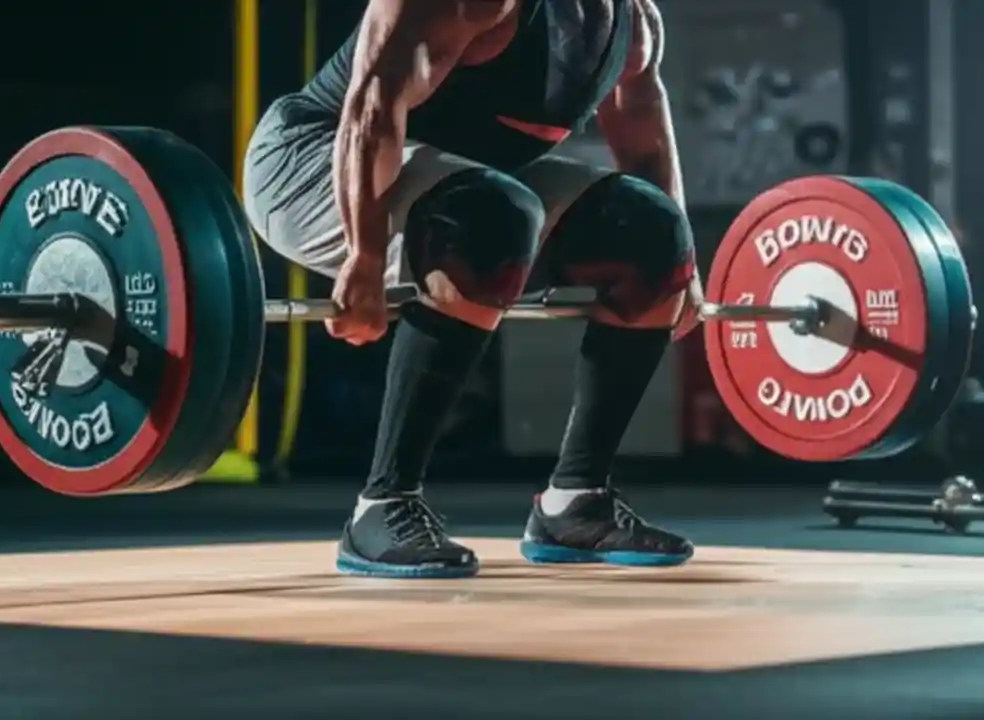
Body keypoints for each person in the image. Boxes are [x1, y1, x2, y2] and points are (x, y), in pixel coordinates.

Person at [243, 0, 700, 578]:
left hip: (469, 177)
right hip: (312, 164)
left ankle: (576, 504)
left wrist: (682, 269)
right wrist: (365, 257)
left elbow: (644, 135)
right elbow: (372, 109)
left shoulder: (633, 20)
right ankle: (381, 506)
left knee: (649, 231)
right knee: (491, 218)